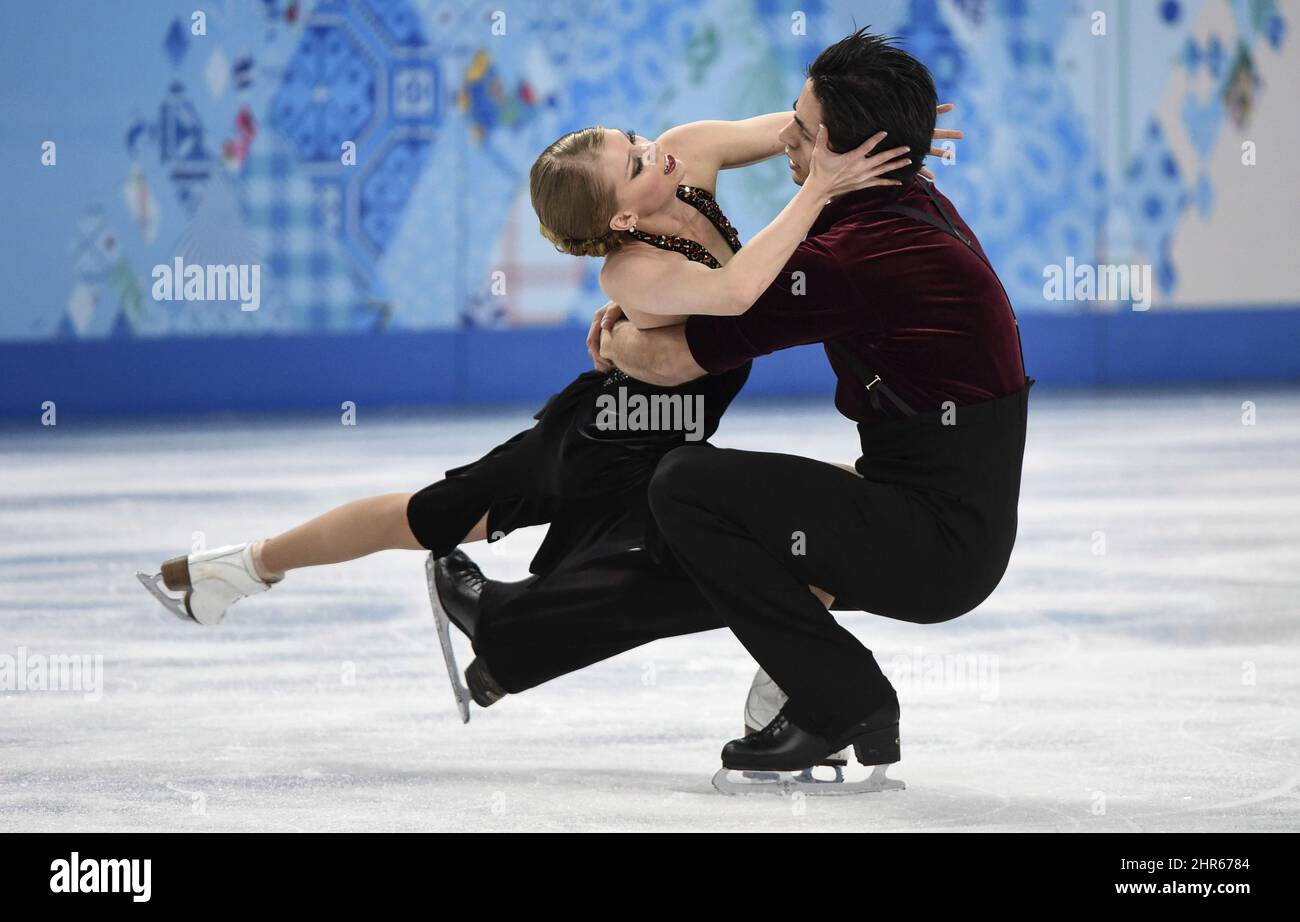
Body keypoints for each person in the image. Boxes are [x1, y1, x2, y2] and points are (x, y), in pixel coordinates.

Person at [138, 93, 948, 715]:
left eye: (631, 140)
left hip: (674, 443)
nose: (650, 150)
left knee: (767, 547)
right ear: (623, 218)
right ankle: (241, 569)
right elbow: (739, 292)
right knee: (427, 514)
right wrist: (821, 194)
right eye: (634, 163)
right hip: (608, 440)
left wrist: (887, 144)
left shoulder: (687, 156)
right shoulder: (629, 272)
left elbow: (799, 133)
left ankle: (776, 675)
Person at [591, 29, 1034, 778]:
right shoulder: (898, 196)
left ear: (840, 150)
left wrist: (613, 343)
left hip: (939, 544)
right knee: (734, 523)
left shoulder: (850, 260)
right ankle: (819, 687)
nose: (787, 142)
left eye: (801, 131)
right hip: (943, 511)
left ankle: (842, 698)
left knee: (684, 488)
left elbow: (672, 364)